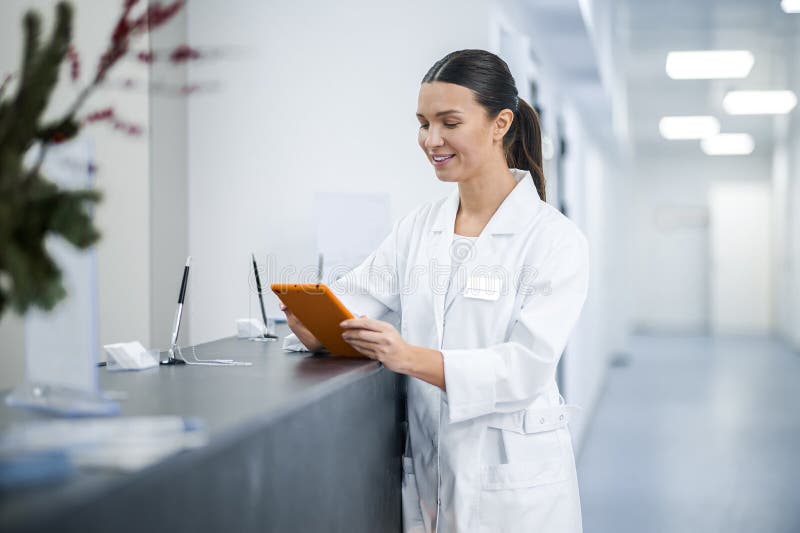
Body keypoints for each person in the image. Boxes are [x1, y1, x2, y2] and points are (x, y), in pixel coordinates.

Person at [281, 49, 589, 533]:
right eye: (423, 123)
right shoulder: (420, 227)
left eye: (448, 122)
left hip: (513, 483)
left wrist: (410, 357)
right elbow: (355, 299)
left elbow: (526, 368)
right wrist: (314, 326)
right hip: (431, 472)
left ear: (500, 123)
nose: (431, 140)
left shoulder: (553, 240)